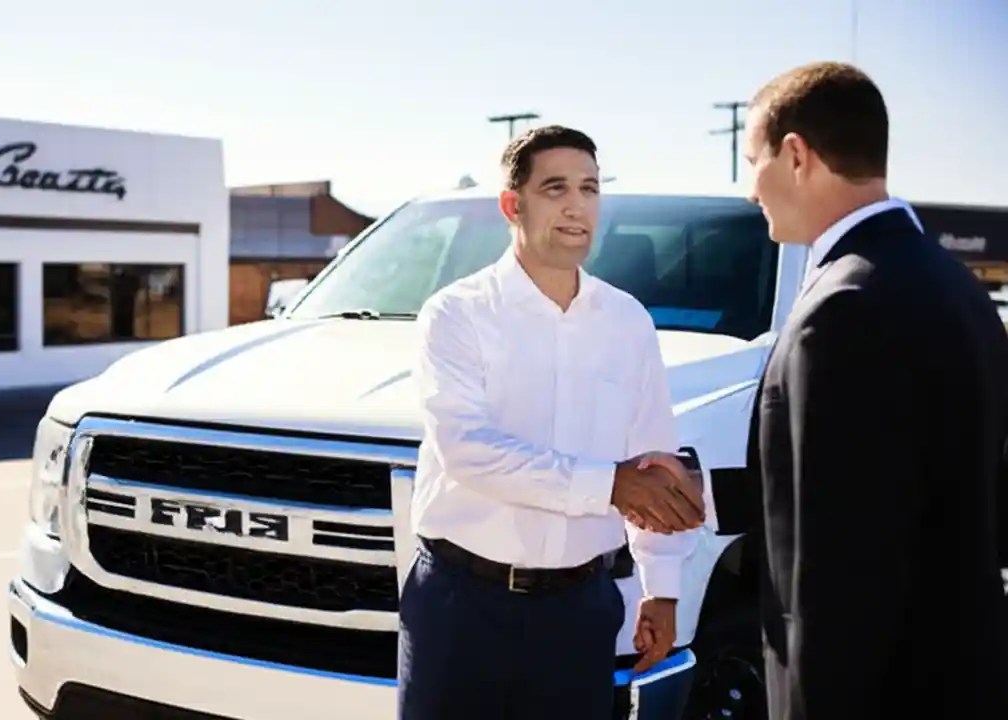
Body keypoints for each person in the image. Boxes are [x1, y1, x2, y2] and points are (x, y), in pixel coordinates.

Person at [398, 124, 707, 720]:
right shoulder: (456, 315)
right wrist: (609, 484)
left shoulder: (627, 322)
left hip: (580, 614)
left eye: (590, 188)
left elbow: (654, 460)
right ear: (513, 205)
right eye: (556, 187)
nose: (577, 206)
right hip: (462, 607)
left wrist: (662, 588)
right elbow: (469, 449)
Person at [741, 61, 1008, 719]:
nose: (750, 189)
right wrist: (708, 495)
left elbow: (842, 573)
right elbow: (903, 481)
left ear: (796, 155)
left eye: (752, 160)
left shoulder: (843, 306)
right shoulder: (954, 286)